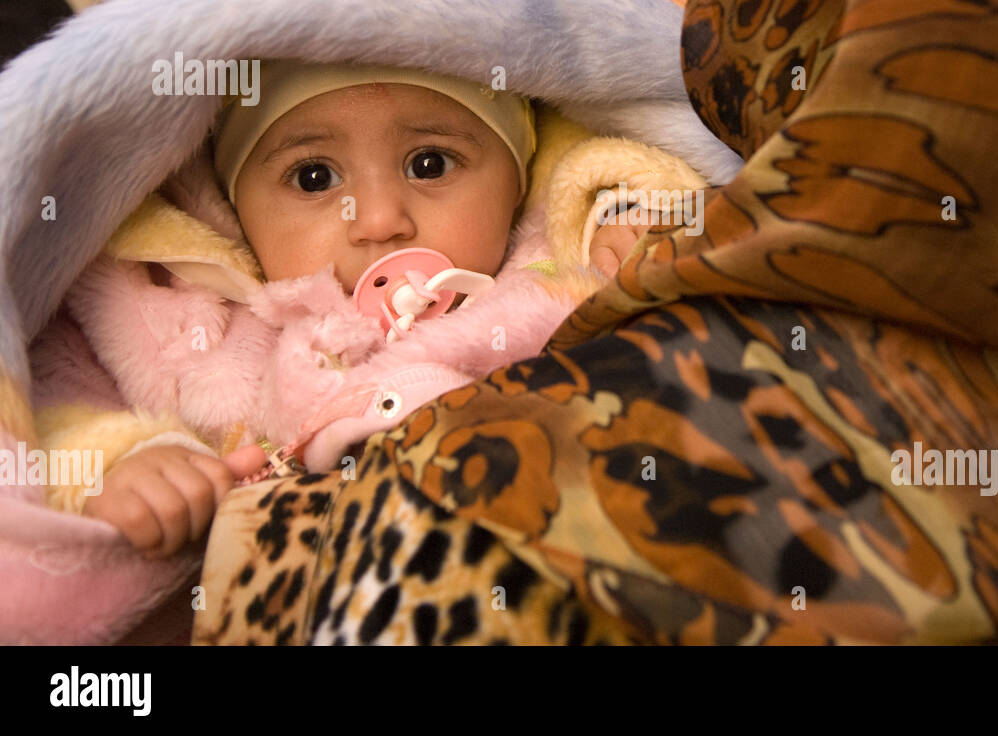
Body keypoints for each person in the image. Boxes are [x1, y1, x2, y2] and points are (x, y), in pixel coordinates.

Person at [33, 61, 701, 559]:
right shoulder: (185, 323)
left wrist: (639, 235)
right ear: (230, 211)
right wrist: (127, 458)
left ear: (521, 178)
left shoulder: (557, 266)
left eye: (431, 163)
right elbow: (44, 409)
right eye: (315, 178)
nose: (379, 220)